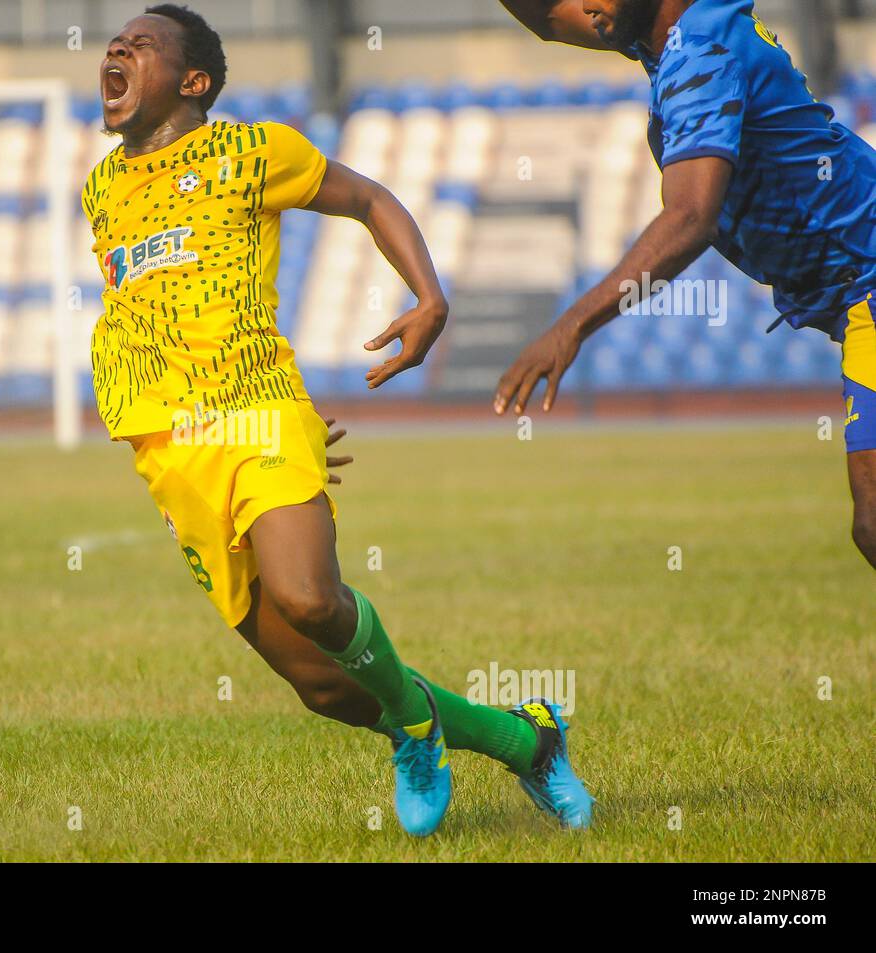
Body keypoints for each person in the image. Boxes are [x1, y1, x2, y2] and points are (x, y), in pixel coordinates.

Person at [83, 4, 593, 836]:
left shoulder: (252, 152)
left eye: (141, 45)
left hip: (257, 412)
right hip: (170, 453)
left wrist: (429, 298)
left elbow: (368, 197)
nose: (117, 49)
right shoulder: (100, 190)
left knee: (311, 598)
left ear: (193, 81)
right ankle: (525, 739)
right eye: (115, 44)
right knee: (323, 687)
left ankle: (418, 728)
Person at [495, 0, 876, 570]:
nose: (587, 3)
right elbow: (549, 21)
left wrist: (571, 326)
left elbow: (690, 217)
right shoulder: (669, 29)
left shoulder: (702, 53)